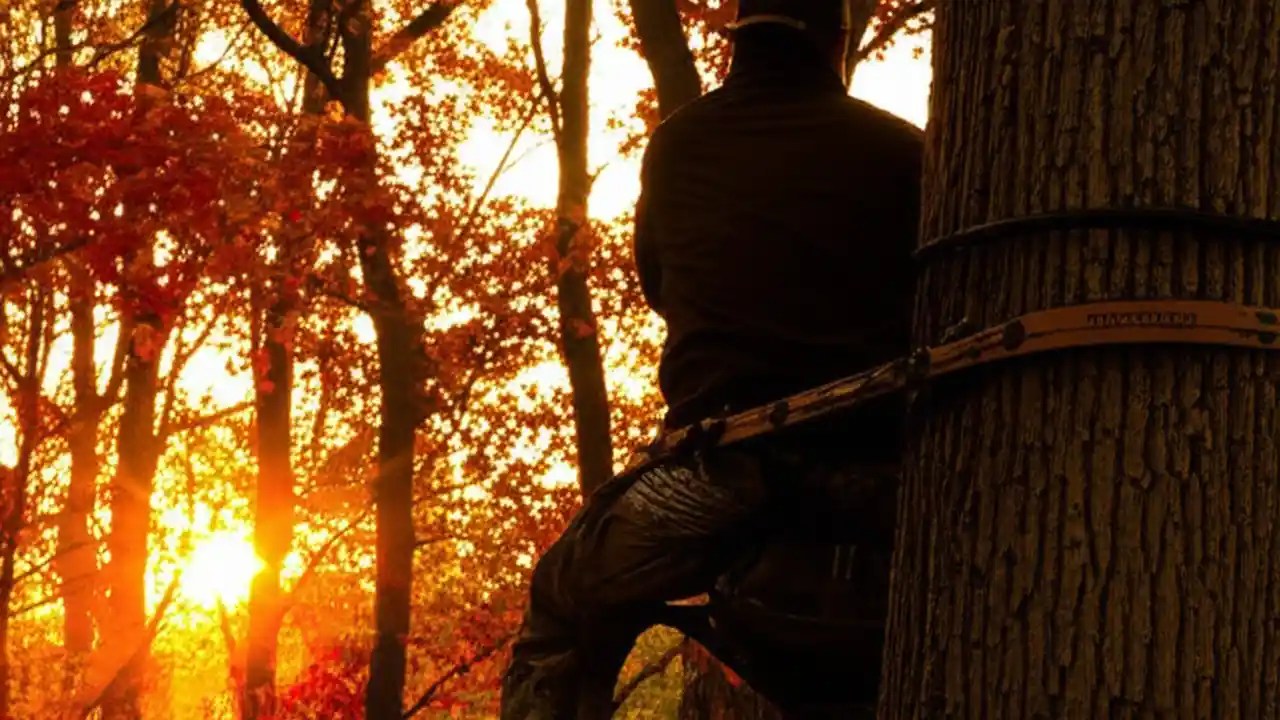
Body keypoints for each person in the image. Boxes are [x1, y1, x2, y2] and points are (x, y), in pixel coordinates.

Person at [500, 0, 923, 716]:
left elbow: (662, 288)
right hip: (878, 476)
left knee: (562, 605)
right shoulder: (905, 151)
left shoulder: (678, 145)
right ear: (836, 44)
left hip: (720, 471)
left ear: (737, 43)